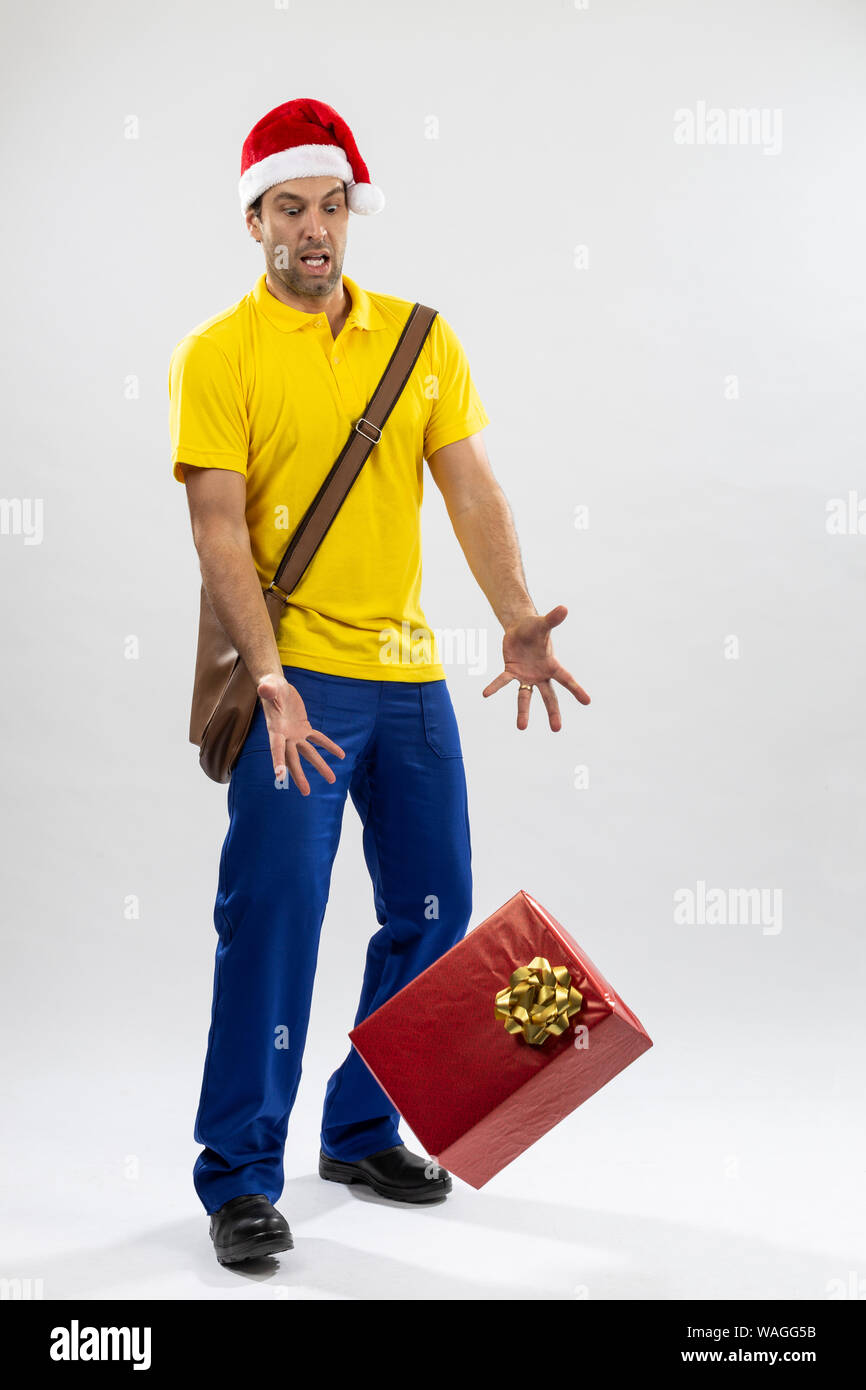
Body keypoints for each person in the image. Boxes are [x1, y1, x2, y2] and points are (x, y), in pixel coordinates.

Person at [168, 97, 591, 1267]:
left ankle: (358, 1126)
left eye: (333, 205)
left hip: (408, 679)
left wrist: (513, 618)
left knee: (432, 916)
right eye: (291, 206)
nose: (315, 227)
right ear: (254, 217)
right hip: (294, 687)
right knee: (274, 925)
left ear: (353, 214)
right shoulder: (219, 354)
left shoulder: (419, 337)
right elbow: (218, 533)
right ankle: (241, 1175)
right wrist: (268, 676)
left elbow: (467, 487)